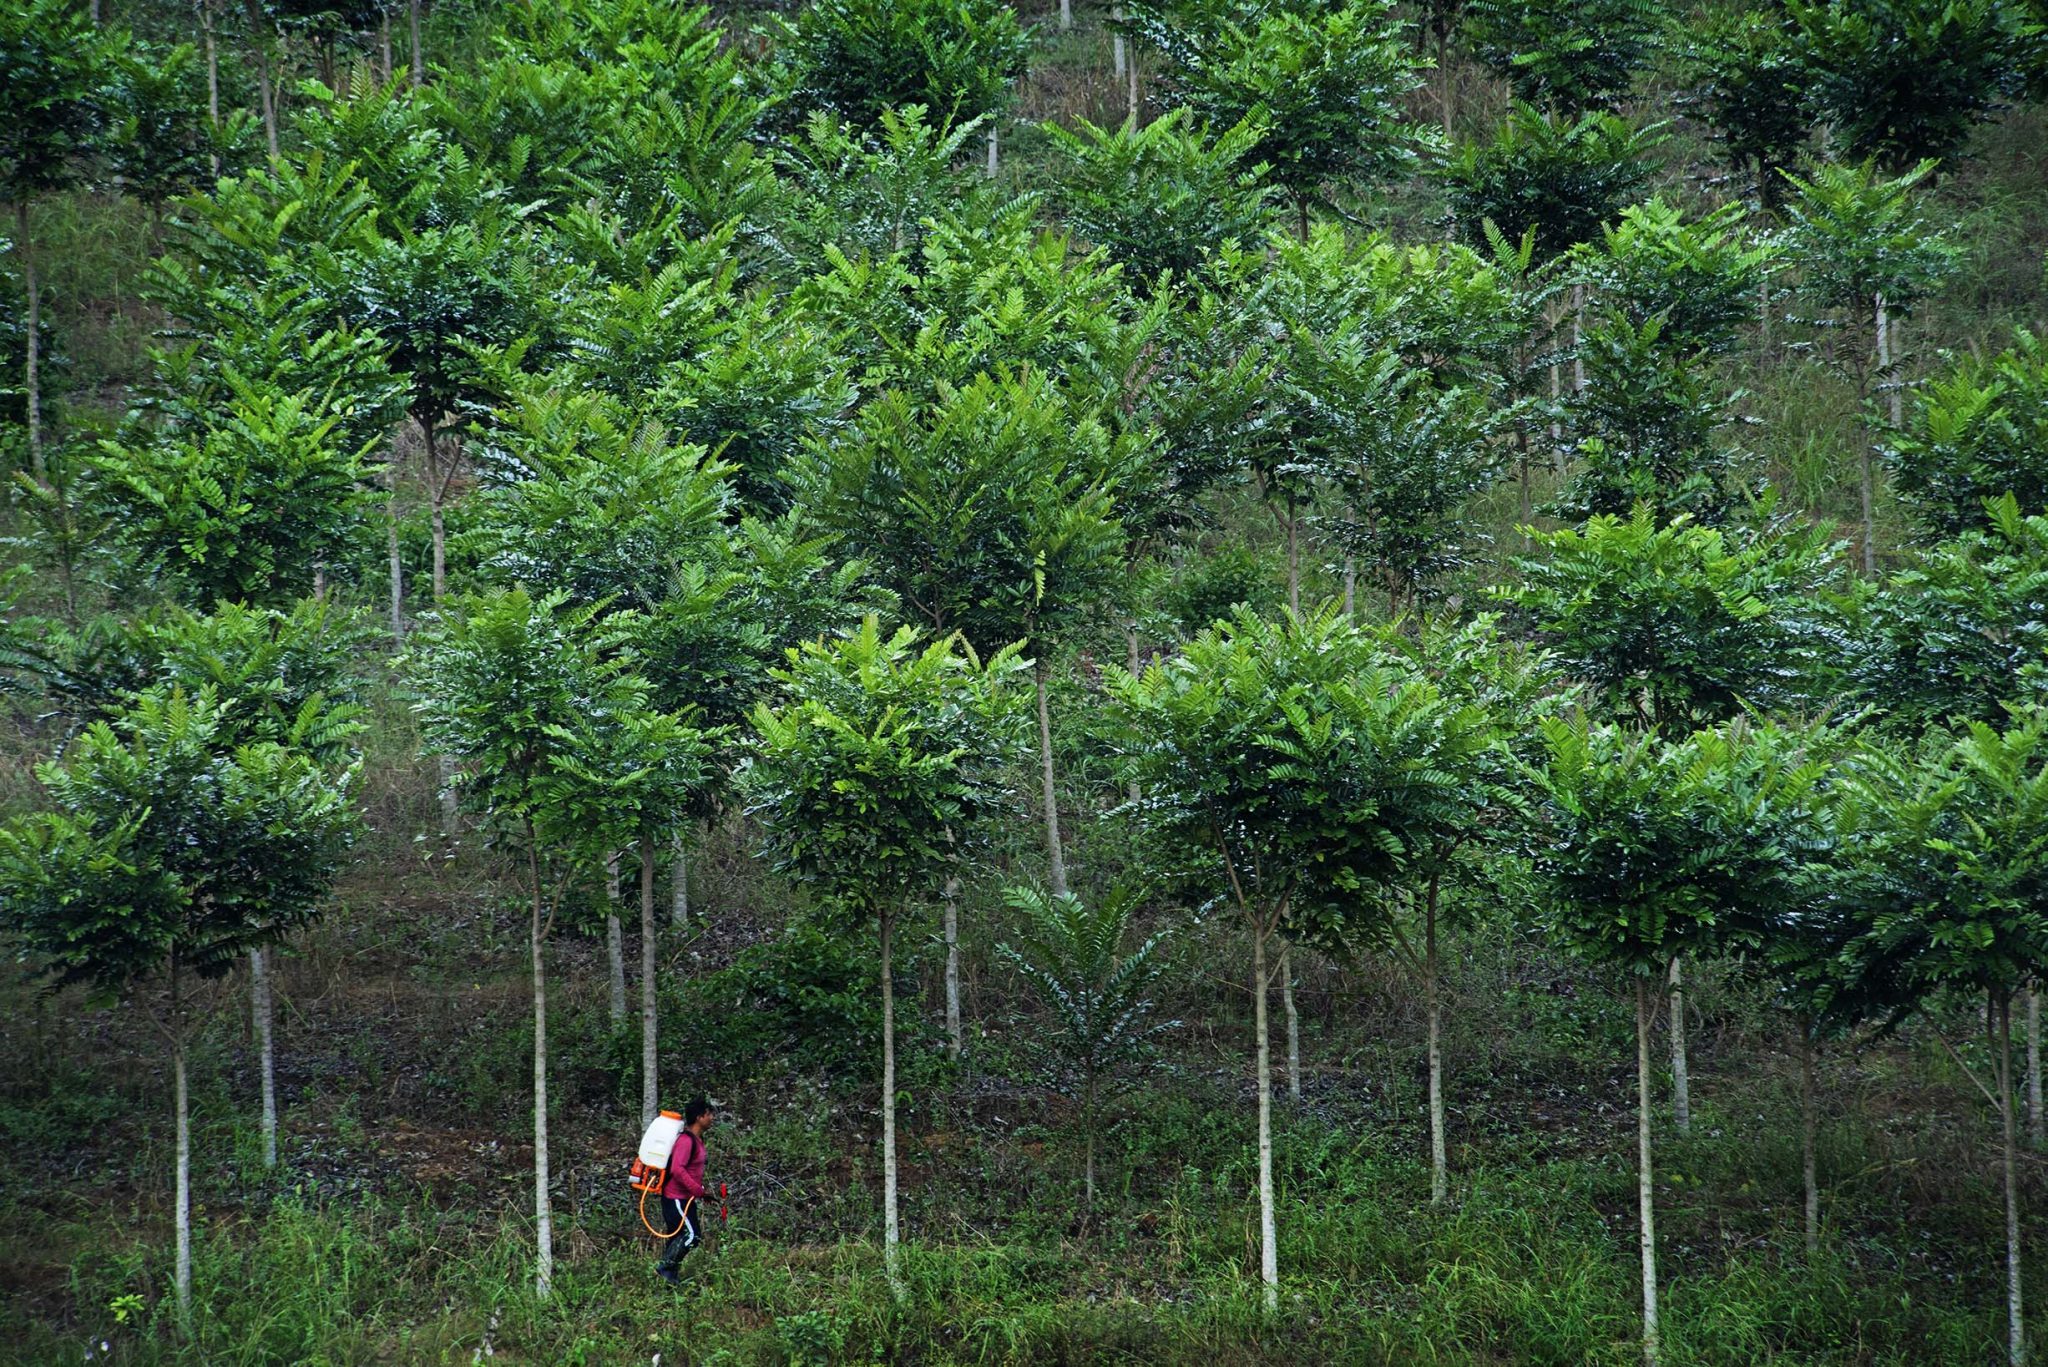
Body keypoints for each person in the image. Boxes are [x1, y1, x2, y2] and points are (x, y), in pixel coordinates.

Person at [655, 1097, 714, 1285]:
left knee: (678, 1238)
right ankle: (666, 1270)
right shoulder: (686, 1141)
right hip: (675, 1198)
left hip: (686, 1199)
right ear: (699, 1117)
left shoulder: (697, 1140)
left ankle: (668, 1279)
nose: (712, 1118)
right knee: (691, 1236)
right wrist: (697, 1190)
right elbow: (677, 1169)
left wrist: (701, 1192)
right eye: (709, 1114)